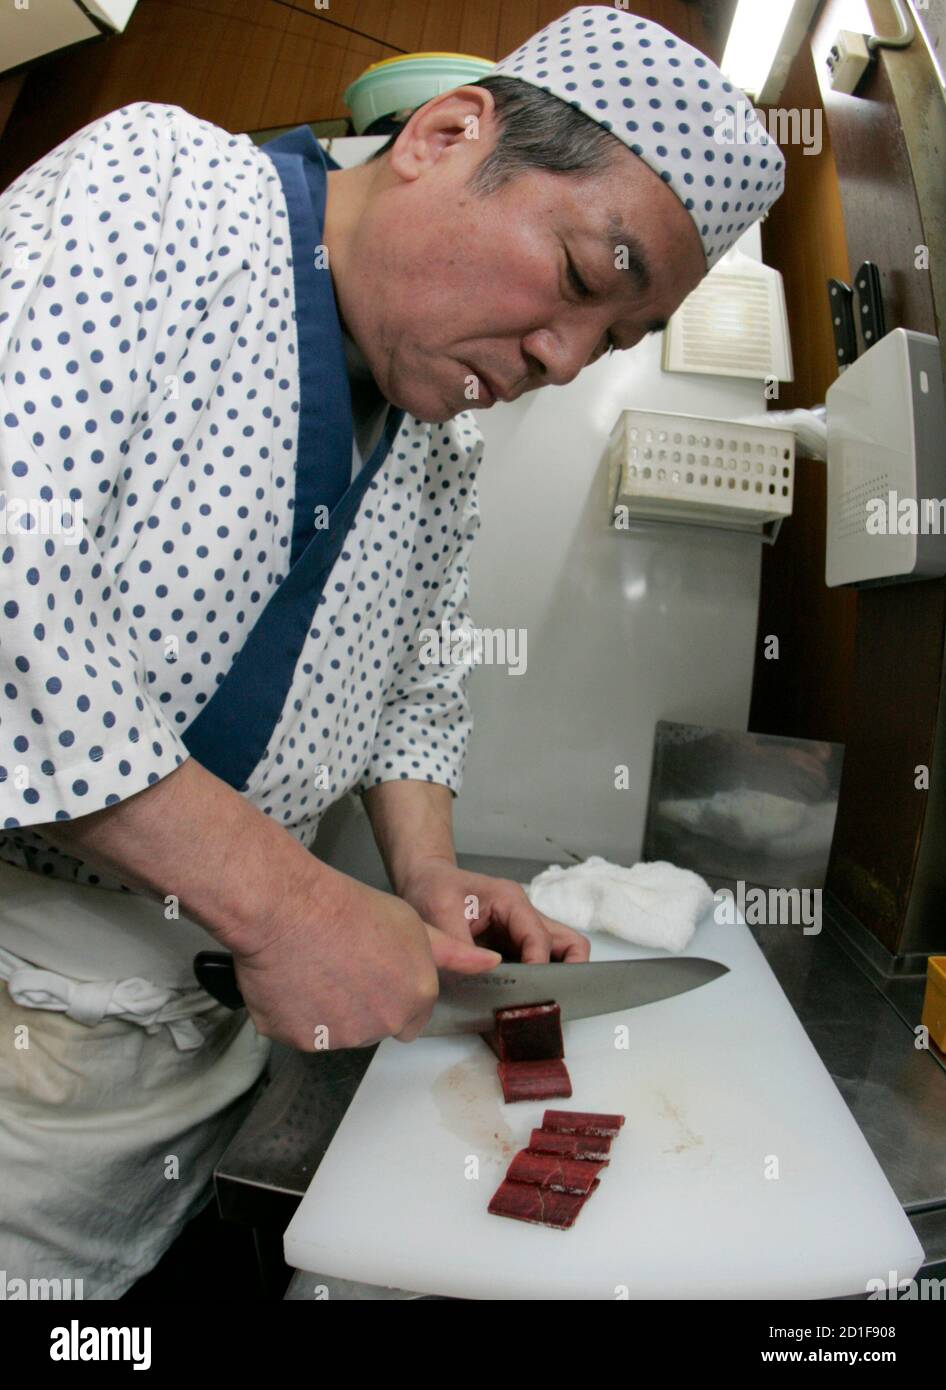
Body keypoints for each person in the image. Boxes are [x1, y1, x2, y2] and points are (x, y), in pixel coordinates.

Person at [0, 6, 785, 1295]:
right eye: (586, 281)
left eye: (615, 342)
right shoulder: (162, 186)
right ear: (447, 133)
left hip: (204, 1061)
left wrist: (427, 873)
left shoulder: (438, 442)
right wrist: (293, 900)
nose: (563, 359)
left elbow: (417, 692)